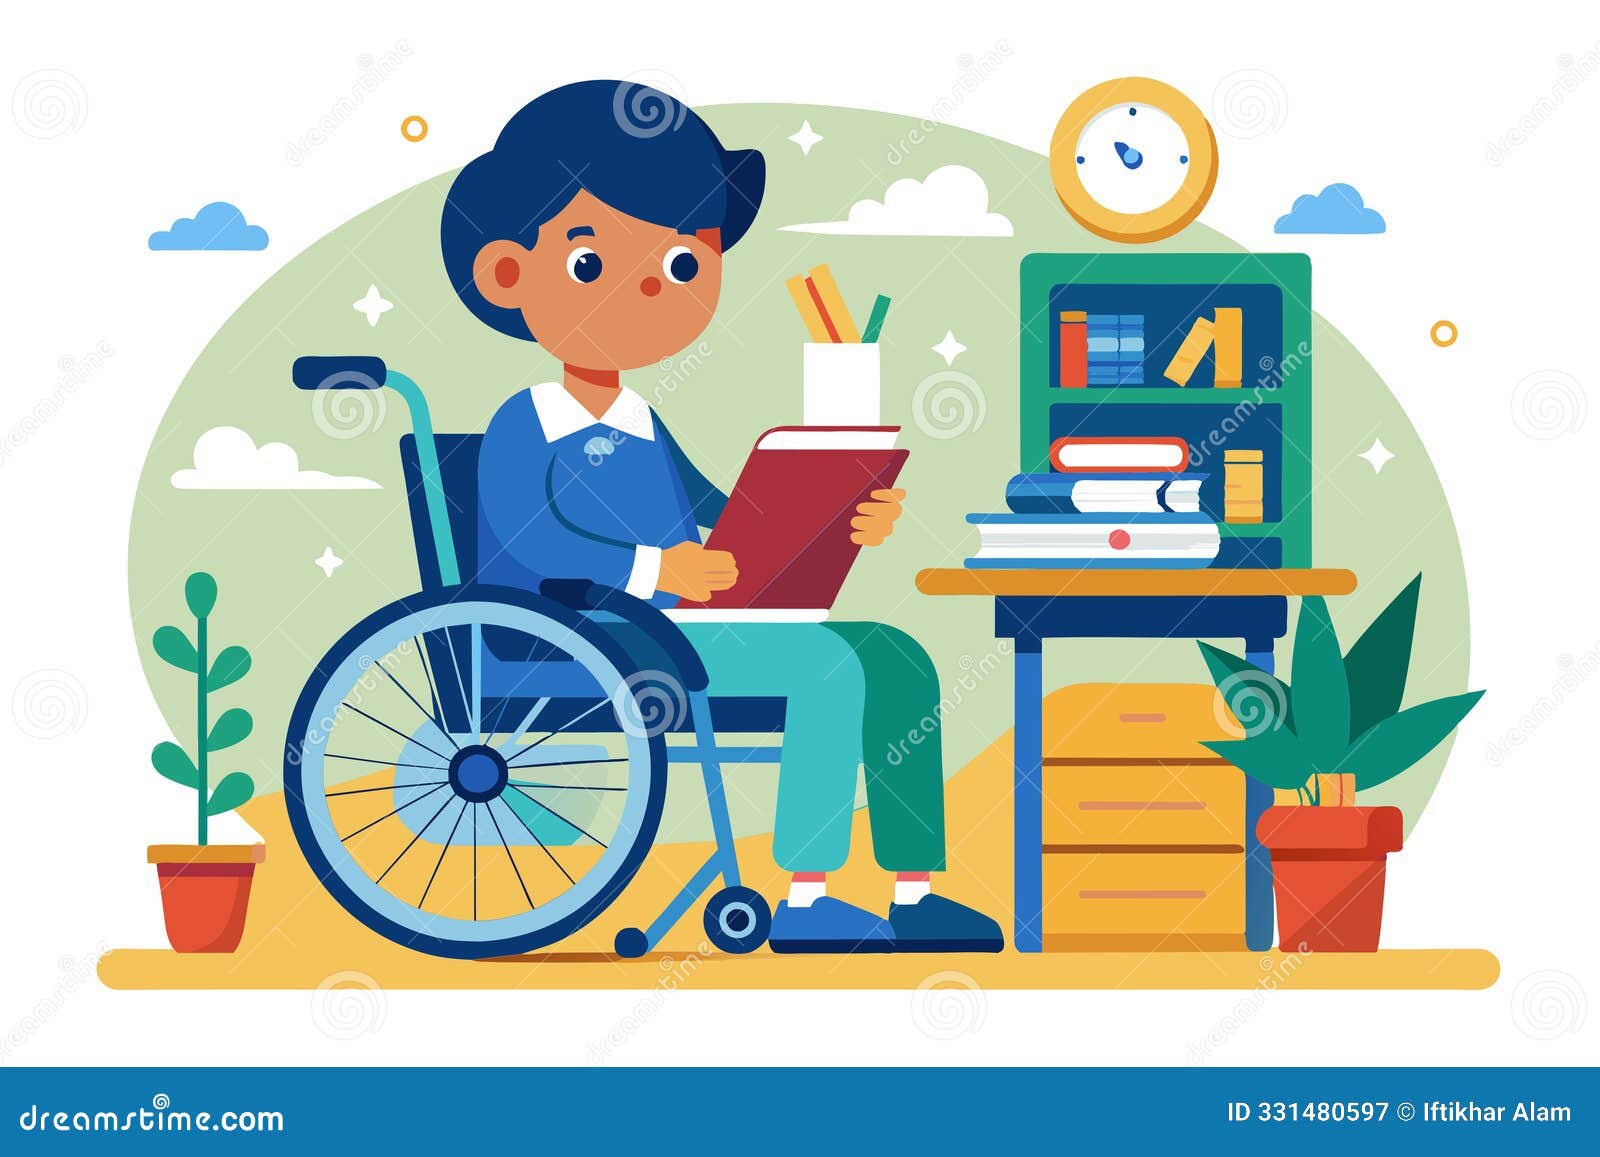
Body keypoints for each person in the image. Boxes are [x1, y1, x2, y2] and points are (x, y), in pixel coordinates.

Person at [444, 80, 1000, 953]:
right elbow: (523, 542)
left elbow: (737, 514)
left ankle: (914, 889)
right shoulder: (526, 423)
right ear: (509, 274)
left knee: (896, 657)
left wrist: (840, 515)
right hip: (574, 634)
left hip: (677, 625)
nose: (653, 293)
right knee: (823, 668)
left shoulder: (642, 424)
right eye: (593, 264)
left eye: (680, 266)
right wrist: (657, 570)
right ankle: (810, 897)